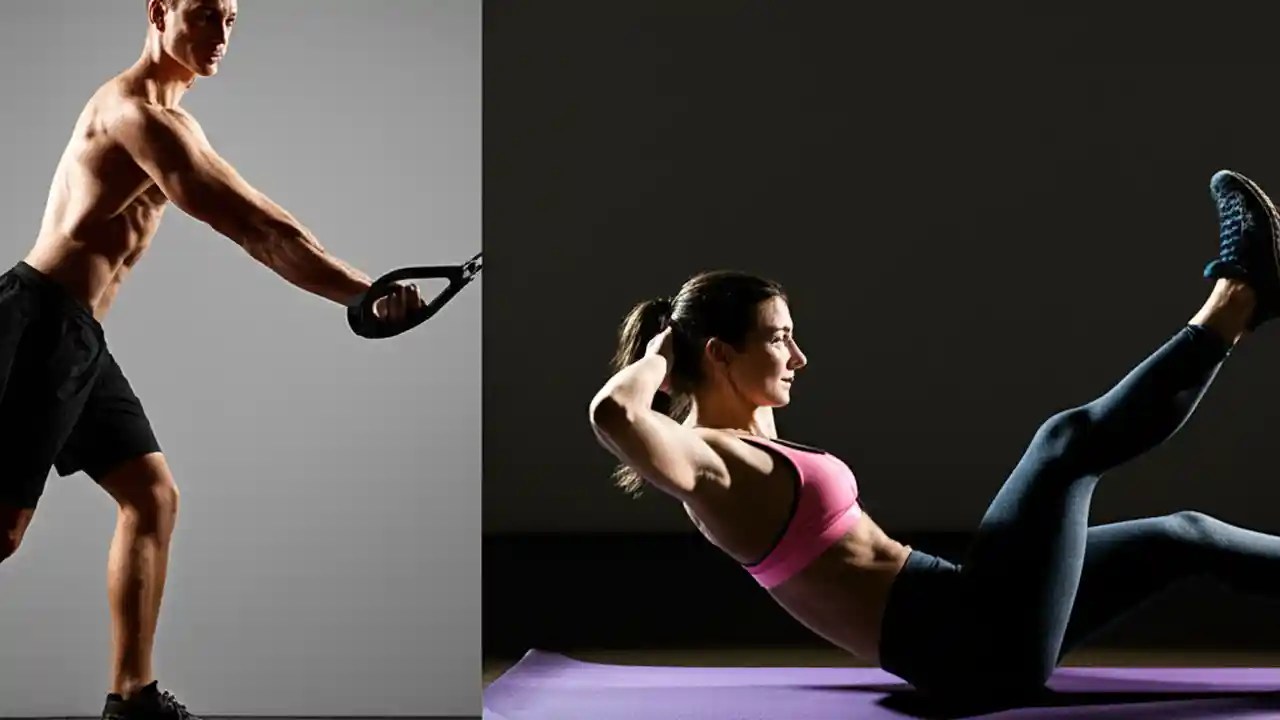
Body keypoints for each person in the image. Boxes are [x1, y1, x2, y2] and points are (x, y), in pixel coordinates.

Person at [588, 168, 1280, 701]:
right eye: (779, 339)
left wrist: (690, 347)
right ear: (718, 354)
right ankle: (1241, 295)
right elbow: (616, 415)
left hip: (967, 604)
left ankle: (1249, 297)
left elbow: (737, 408)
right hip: (968, 648)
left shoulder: (750, 435)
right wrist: (658, 354)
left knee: (1183, 537)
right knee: (1064, 446)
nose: (798, 358)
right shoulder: (710, 464)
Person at [1, 2, 424, 719]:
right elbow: (260, 228)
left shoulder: (169, 118)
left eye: (231, 18)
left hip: (75, 337)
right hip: (38, 323)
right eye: (203, 15)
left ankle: (131, 700)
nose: (220, 35)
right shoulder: (139, 116)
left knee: (151, 497)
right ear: (159, 10)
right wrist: (363, 293)